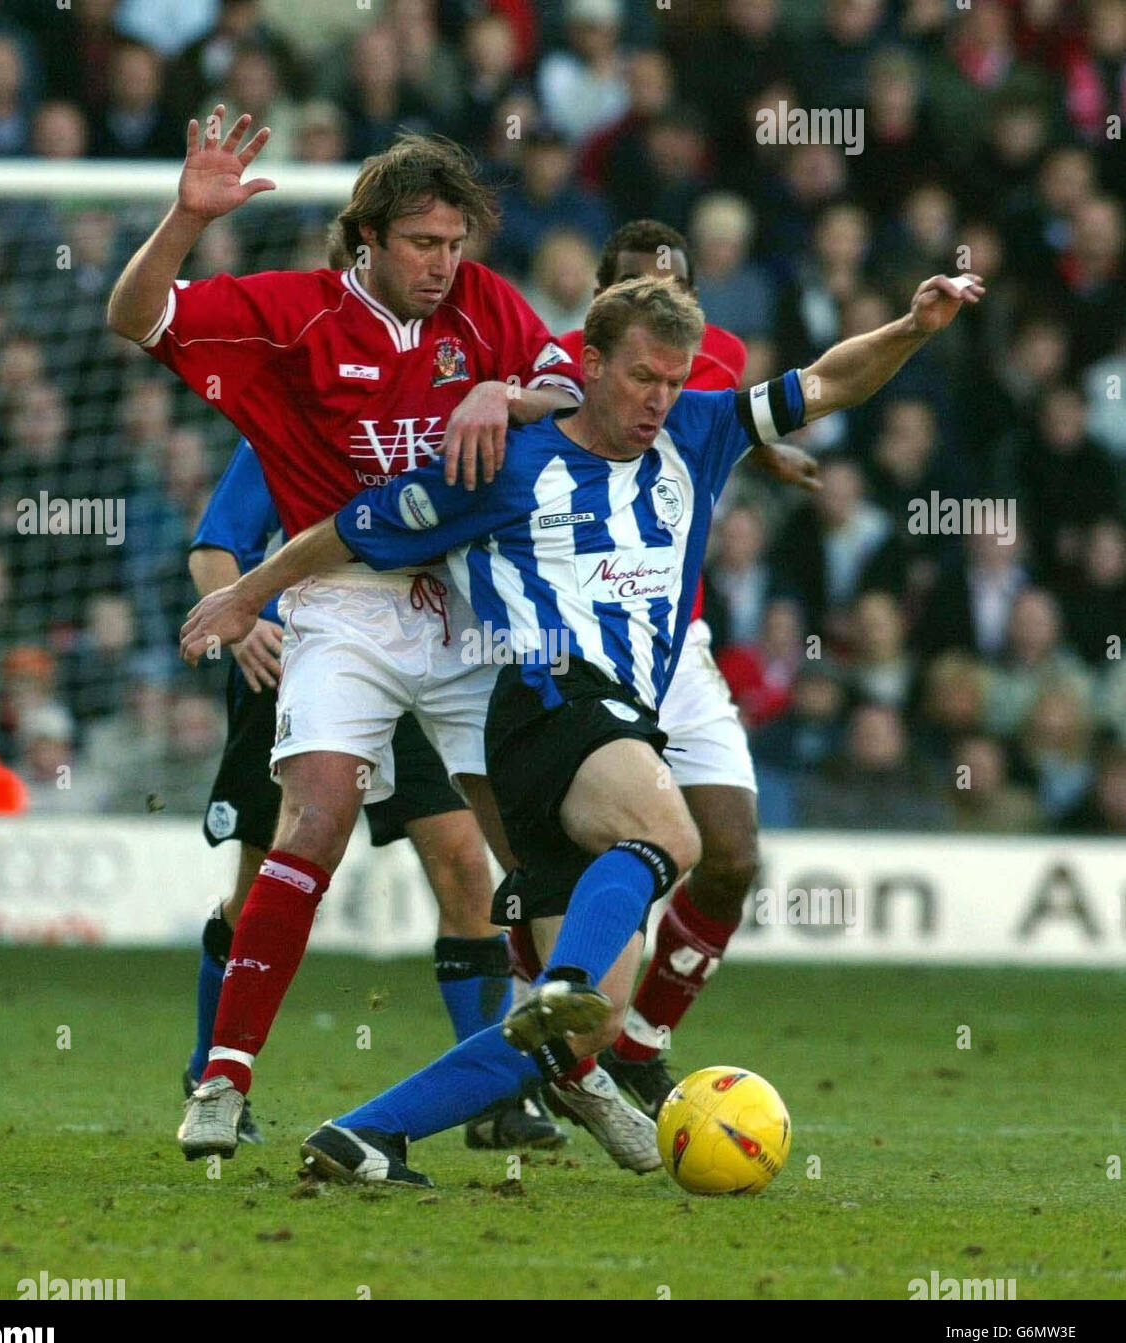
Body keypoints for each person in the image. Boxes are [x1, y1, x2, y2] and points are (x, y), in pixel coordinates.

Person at [181, 268, 985, 1185]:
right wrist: (246, 594)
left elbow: (830, 381)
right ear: (587, 363)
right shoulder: (506, 463)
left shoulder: (700, 431)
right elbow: (358, 525)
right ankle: (527, 995)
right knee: (668, 834)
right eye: (642, 376)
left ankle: (368, 1132)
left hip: (602, 726)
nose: (658, 400)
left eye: (675, 380)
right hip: (547, 699)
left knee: (589, 1023)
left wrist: (913, 326)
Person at [105, 114, 597, 1161]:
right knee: (314, 819)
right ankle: (223, 1081)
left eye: (454, 243)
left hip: (468, 603)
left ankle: (571, 1070)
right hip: (338, 602)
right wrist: (186, 218)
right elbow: (135, 316)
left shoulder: (484, 308)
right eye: (422, 243)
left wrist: (498, 389)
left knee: (531, 841)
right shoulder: (290, 316)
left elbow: (569, 388)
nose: (442, 264)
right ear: (364, 239)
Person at [185, 437, 562, 1149]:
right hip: (304, 652)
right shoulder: (298, 414)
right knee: (265, 875)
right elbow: (216, 544)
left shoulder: (443, 416)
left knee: (463, 864)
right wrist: (241, 627)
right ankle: (212, 1069)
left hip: (428, 649)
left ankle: (495, 1098)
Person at [554, 218, 819, 1119]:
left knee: (731, 855)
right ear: (600, 302)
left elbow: (716, 426)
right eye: (638, 285)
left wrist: (761, 450)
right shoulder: (558, 365)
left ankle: (639, 1048)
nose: (664, 303)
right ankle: (540, 1055)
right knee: (578, 868)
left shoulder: (716, 358)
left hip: (680, 643)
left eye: (679, 288)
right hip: (574, 655)